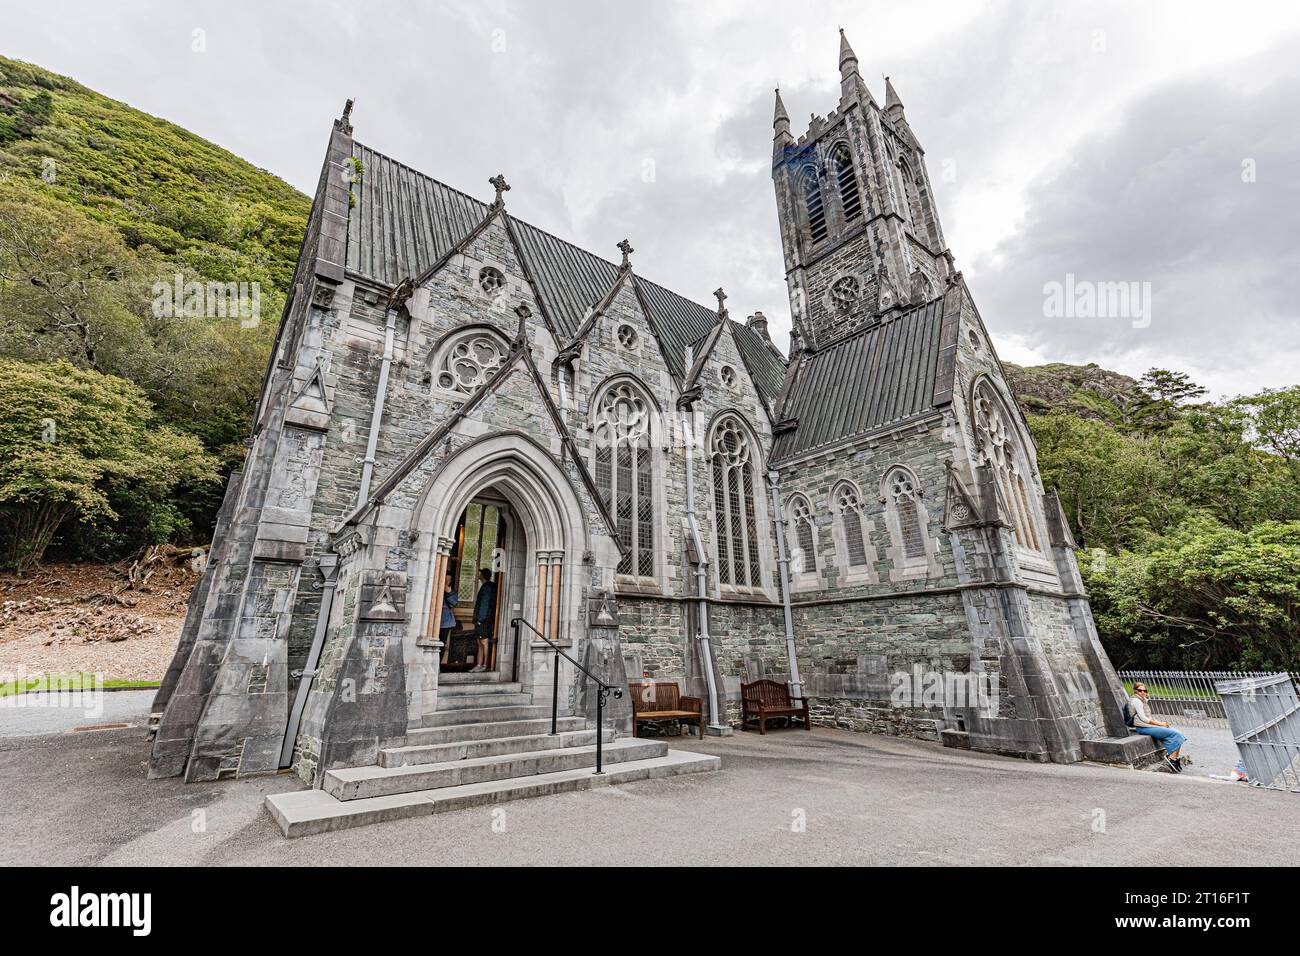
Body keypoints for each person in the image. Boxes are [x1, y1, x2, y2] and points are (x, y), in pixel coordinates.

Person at [1128, 683, 1189, 772]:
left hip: (1148, 726)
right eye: (1140, 690)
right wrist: (1160, 724)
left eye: (1145, 691)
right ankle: (1172, 759)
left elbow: (1149, 717)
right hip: (1143, 728)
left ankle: (1174, 758)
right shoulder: (1136, 701)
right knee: (1176, 734)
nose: (1143, 692)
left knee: (1179, 734)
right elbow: (1143, 718)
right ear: (1135, 691)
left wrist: (1161, 724)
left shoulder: (1143, 700)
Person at [469, 567, 497, 673]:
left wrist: (480, 619)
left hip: (483, 620)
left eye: (481, 574)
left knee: (484, 642)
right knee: (479, 642)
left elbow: (484, 604)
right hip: (481, 619)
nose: (479, 575)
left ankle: (485, 665)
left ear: (483, 576)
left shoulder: (487, 588)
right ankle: (479, 664)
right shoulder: (486, 586)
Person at [438, 574, 458, 642]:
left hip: (446, 622)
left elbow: (454, 603)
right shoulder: (436, 588)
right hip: (436, 620)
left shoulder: (453, 592)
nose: (446, 582)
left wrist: (449, 593)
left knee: (442, 642)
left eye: (448, 580)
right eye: (445, 579)